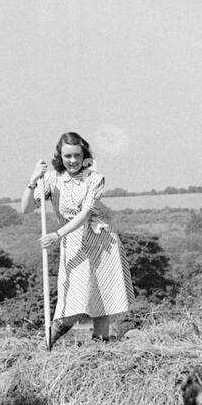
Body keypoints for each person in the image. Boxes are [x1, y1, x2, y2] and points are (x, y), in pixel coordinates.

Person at [19, 131, 134, 345]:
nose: (72, 161)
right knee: (72, 298)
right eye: (68, 156)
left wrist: (56, 234)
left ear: (84, 157)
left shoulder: (95, 179)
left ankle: (101, 345)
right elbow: (25, 208)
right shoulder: (51, 179)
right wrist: (33, 180)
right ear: (60, 157)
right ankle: (47, 343)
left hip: (100, 240)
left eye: (77, 156)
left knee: (102, 297)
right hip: (72, 243)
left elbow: (85, 214)